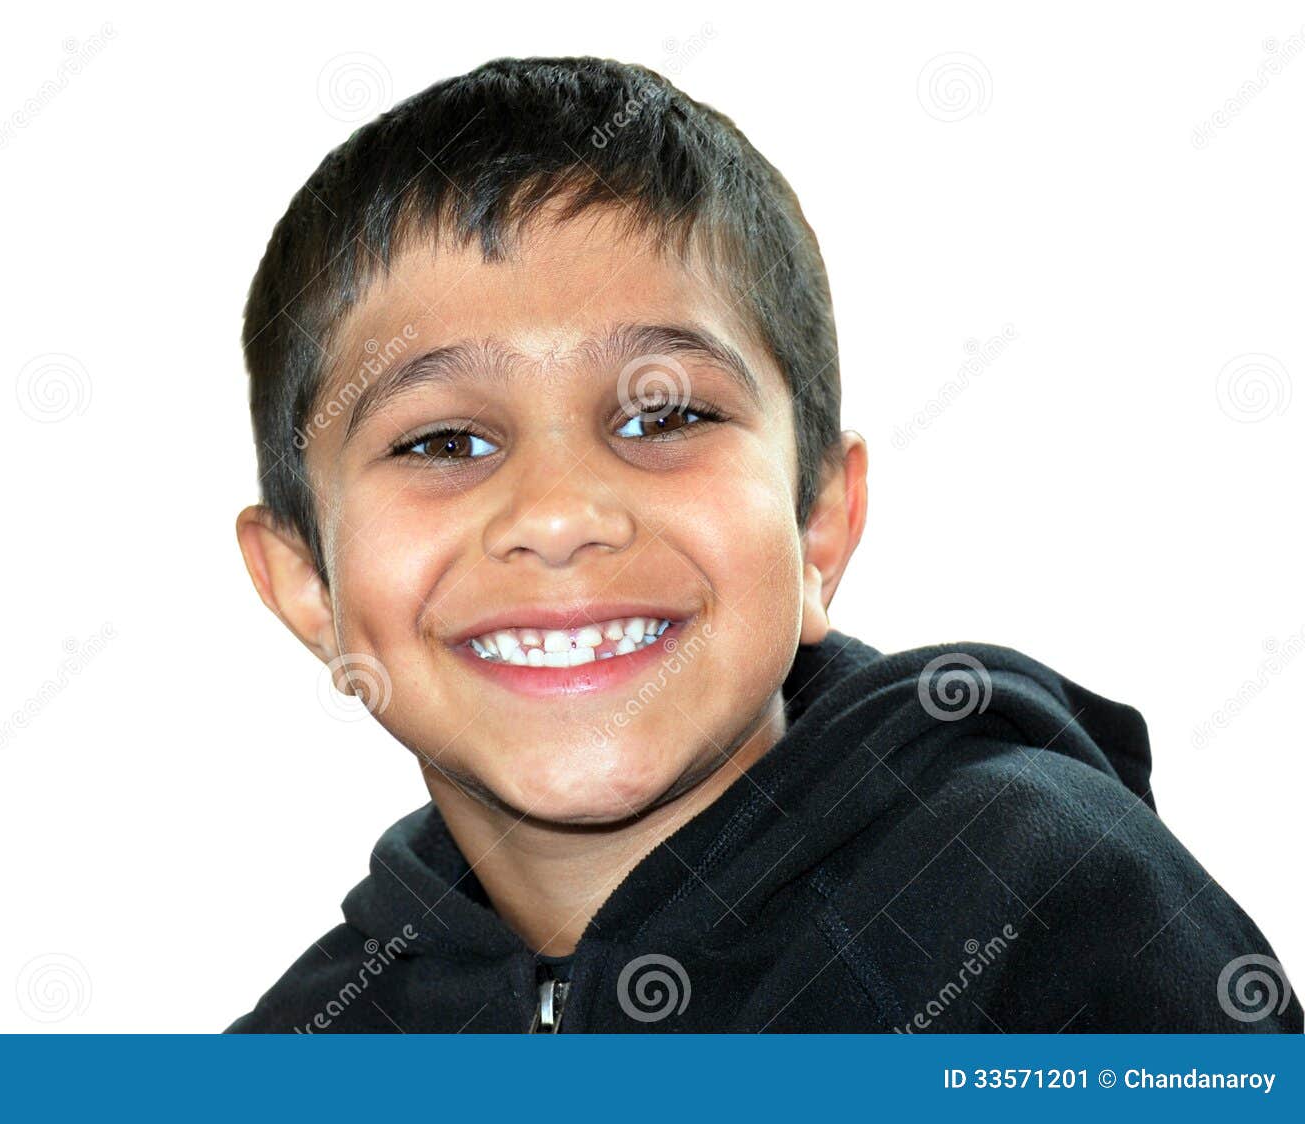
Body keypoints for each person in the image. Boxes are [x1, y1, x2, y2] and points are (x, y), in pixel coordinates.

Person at [224, 56, 1300, 1032]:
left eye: (664, 416)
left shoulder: (1044, 900)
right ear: (306, 582)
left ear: (818, 520)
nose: (557, 514)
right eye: (445, 439)